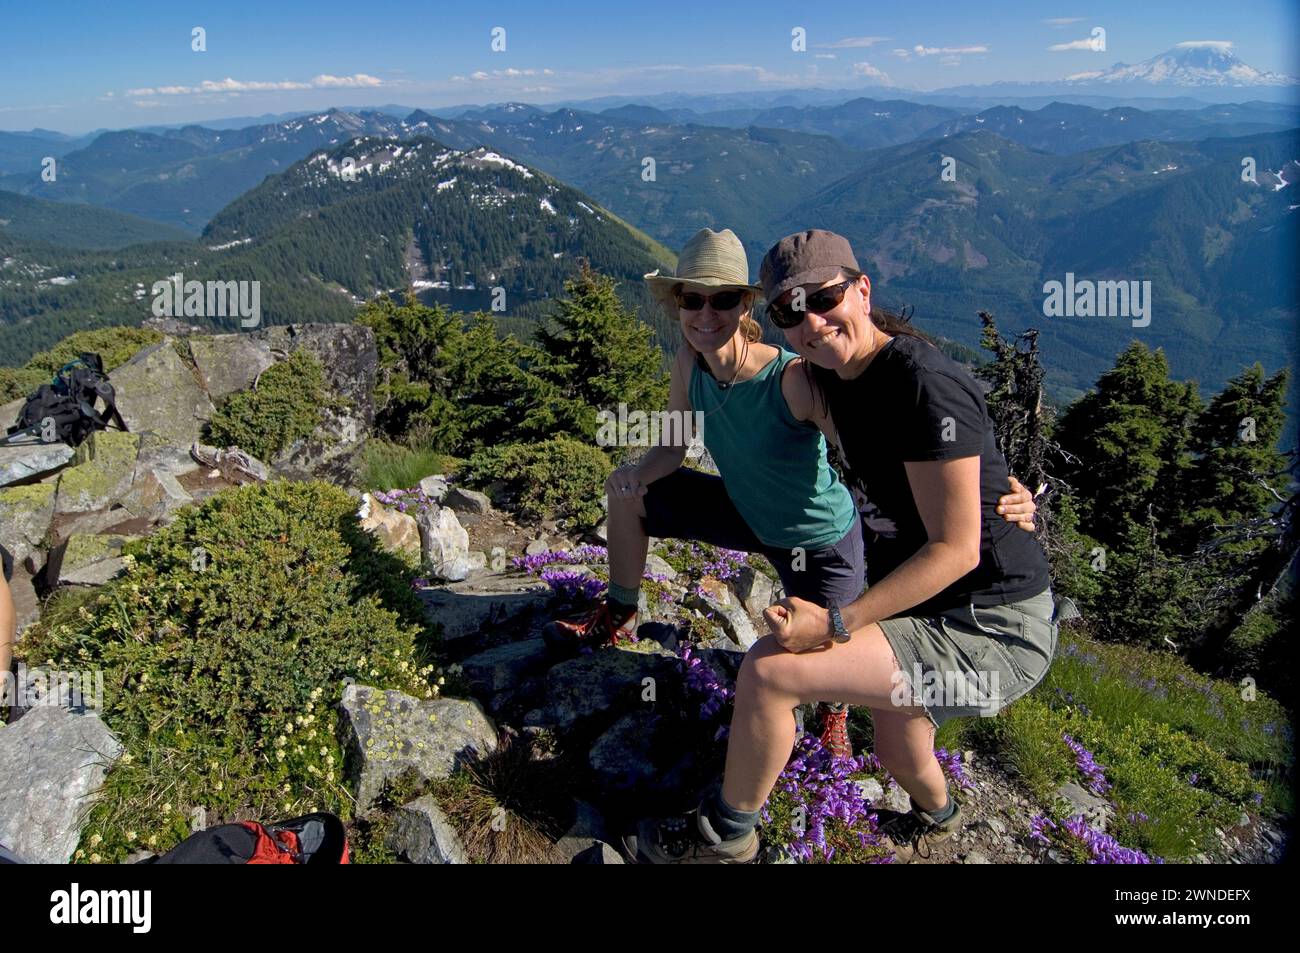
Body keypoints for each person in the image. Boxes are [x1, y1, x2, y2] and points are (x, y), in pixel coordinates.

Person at [627, 230, 1055, 864]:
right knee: (896, 747)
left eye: (824, 298)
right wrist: (1003, 487)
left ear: (862, 290)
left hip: (992, 625)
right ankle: (944, 817)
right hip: (926, 609)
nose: (812, 322)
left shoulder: (919, 382)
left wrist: (836, 621)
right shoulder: (826, 378)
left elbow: (957, 550)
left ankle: (723, 840)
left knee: (771, 672)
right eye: (789, 311)